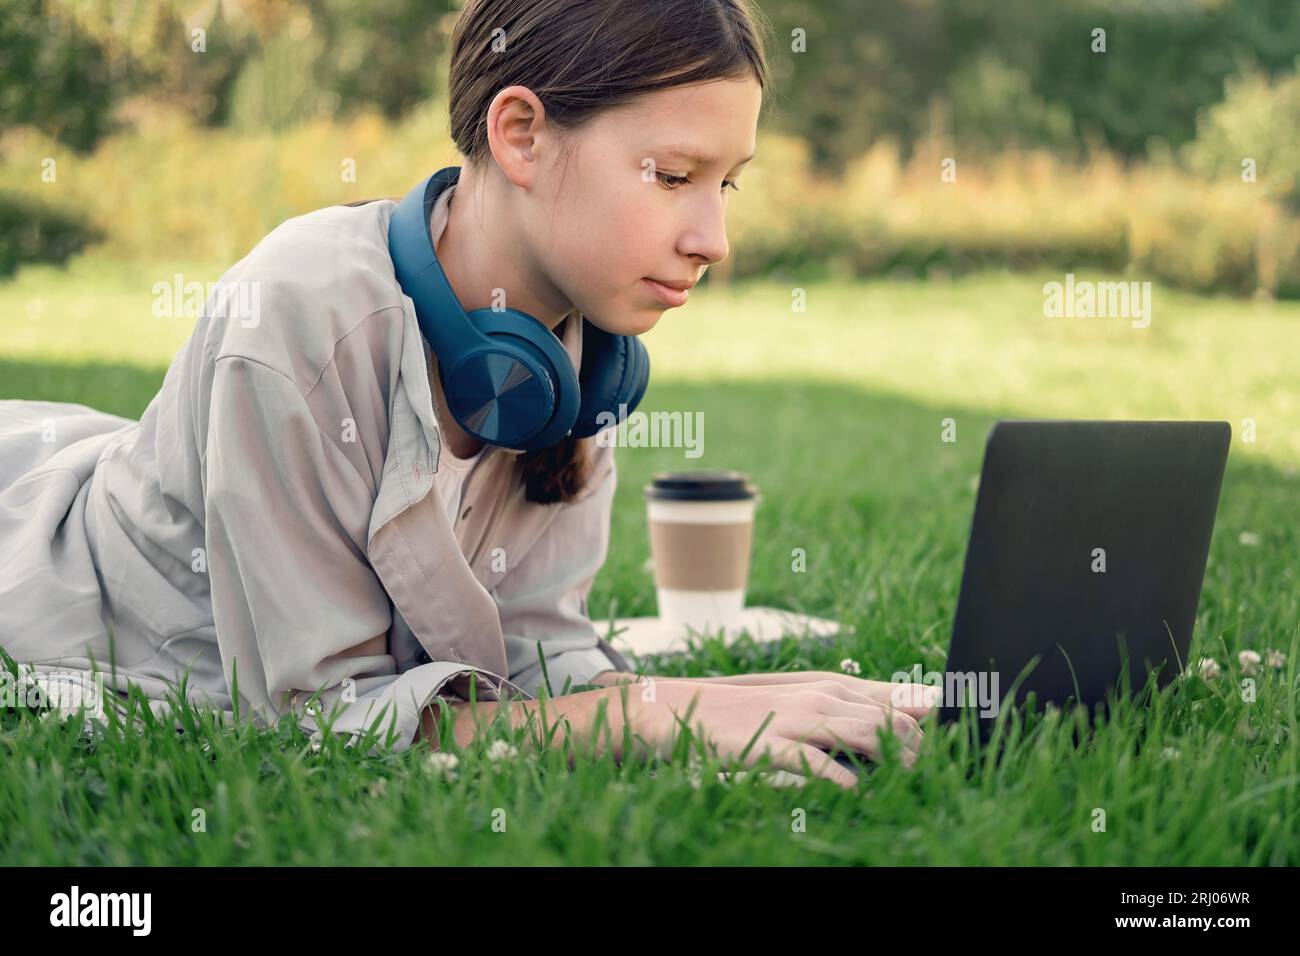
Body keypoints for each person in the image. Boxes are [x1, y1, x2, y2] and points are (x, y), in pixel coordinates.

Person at [0, 0, 934, 789]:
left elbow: (532, 664)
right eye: (674, 176)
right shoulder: (296, 319)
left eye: (728, 183)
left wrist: (769, 701)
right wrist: (657, 712)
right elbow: (322, 728)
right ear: (521, 135)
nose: (713, 237)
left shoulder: (578, 348)